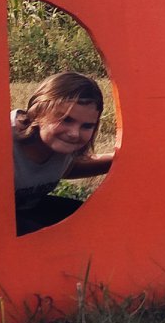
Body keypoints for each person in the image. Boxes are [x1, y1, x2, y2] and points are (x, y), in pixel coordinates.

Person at [11, 71, 113, 235]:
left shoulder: (61, 146)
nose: (74, 133)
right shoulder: (4, 139)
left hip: (29, 209)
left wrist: (121, 159)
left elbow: (70, 167)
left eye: (87, 126)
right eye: (66, 119)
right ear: (38, 113)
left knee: (94, 224)